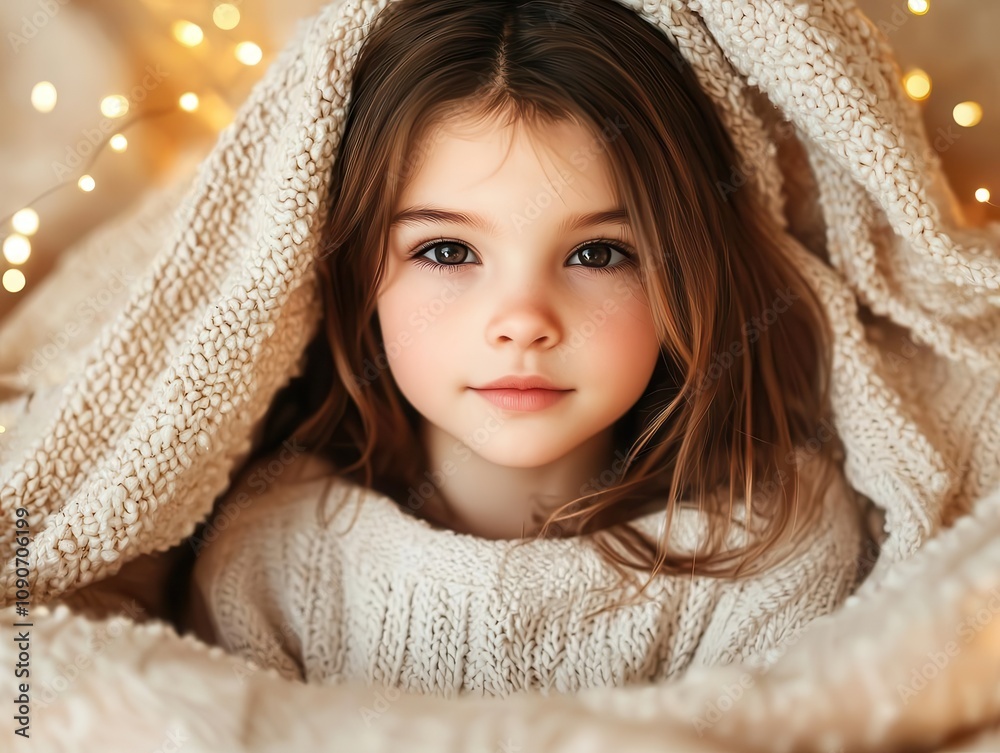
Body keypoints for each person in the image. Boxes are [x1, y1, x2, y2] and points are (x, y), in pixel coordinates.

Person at [181, 0, 866, 694]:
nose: (523, 322)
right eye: (448, 250)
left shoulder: (775, 542)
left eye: (598, 253)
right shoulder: (268, 561)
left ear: (687, 275)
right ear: (351, 276)